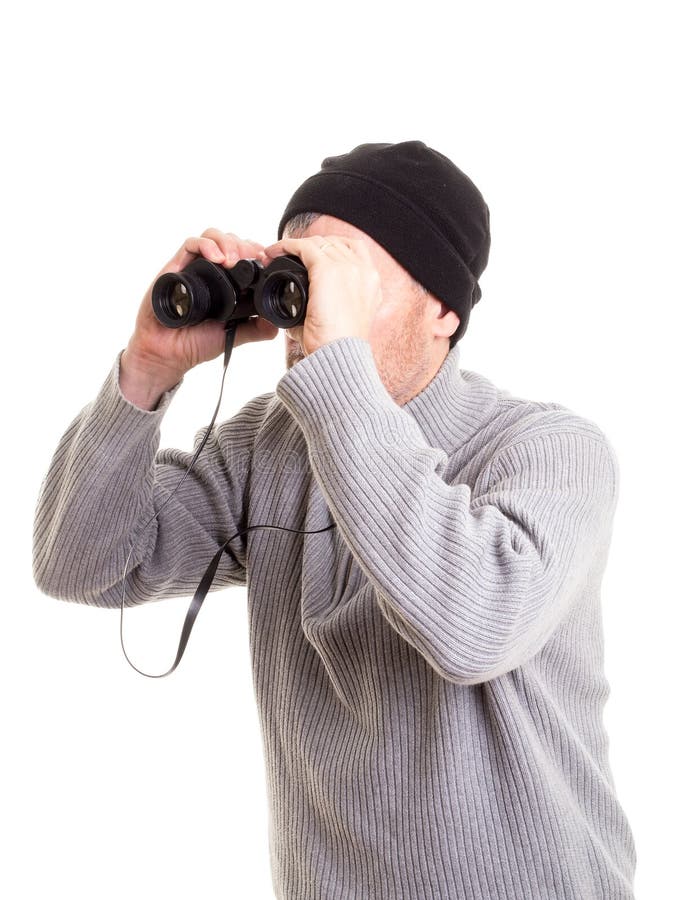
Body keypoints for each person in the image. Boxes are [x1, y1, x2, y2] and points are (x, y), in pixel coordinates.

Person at [33, 141, 637, 899]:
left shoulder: (551, 452)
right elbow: (83, 563)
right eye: (301, 275)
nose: (310, 311)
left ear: (444, 312)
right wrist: (148, 370)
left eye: (343, 281)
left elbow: (474, 625)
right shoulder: (272, 446)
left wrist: (338, 383)